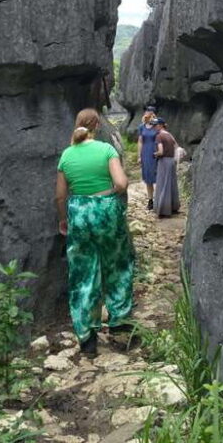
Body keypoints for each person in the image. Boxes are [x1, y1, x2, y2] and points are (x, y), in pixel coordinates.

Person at [56, 108, 134, 357]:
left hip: (78, 212)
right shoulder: (106, 150)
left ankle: (87, 337)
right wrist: (110, 194)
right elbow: (121, 183)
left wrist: (63, 219)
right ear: (97, 126)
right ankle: (119, 322)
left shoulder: (67, 155)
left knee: (83, 273)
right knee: (118, 263)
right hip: (107, 211)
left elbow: (60, 195)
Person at [152, 118, 180, 217]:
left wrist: (155, 154)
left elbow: (161, 151)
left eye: (155, 125)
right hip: (171, 161)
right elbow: (176, 146)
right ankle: (173, 207)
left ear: (160, 125)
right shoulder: (169, 135)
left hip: (164, 161)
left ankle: (164, 210)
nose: (154, 127)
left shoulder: (159, 136)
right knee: (172, 183)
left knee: (163, 183)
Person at [137, 109, 157, 210]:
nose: (149, 115)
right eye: (147, 113)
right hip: (146, 153)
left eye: (151, 114)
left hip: (156, 152)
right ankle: (150, 200)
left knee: (158, 176)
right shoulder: (141, 127)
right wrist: (139, 156)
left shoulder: (156, 126)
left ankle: (160, 199)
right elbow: (140, 141)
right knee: (148, 178)